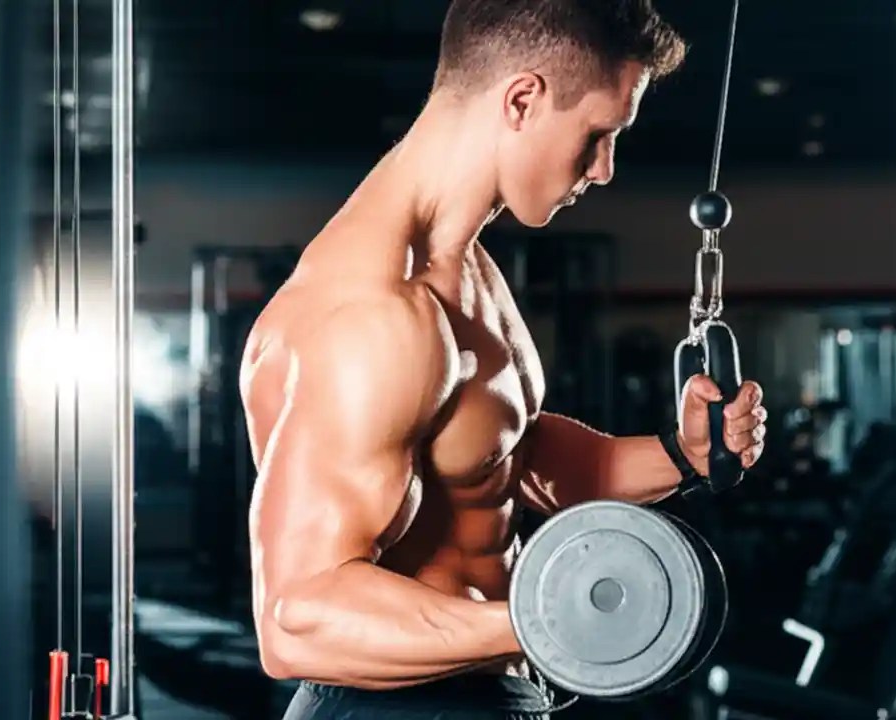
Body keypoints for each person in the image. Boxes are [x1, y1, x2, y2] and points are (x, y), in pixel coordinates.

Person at [239, 1, 768, 717]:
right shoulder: (365, 315)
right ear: (523, 99)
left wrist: (681, 455)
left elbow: (502, 455)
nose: (605, 169)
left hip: (489, 687)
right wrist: (548, 622)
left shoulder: (466, 268)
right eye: (598, 134)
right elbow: (297, 617)